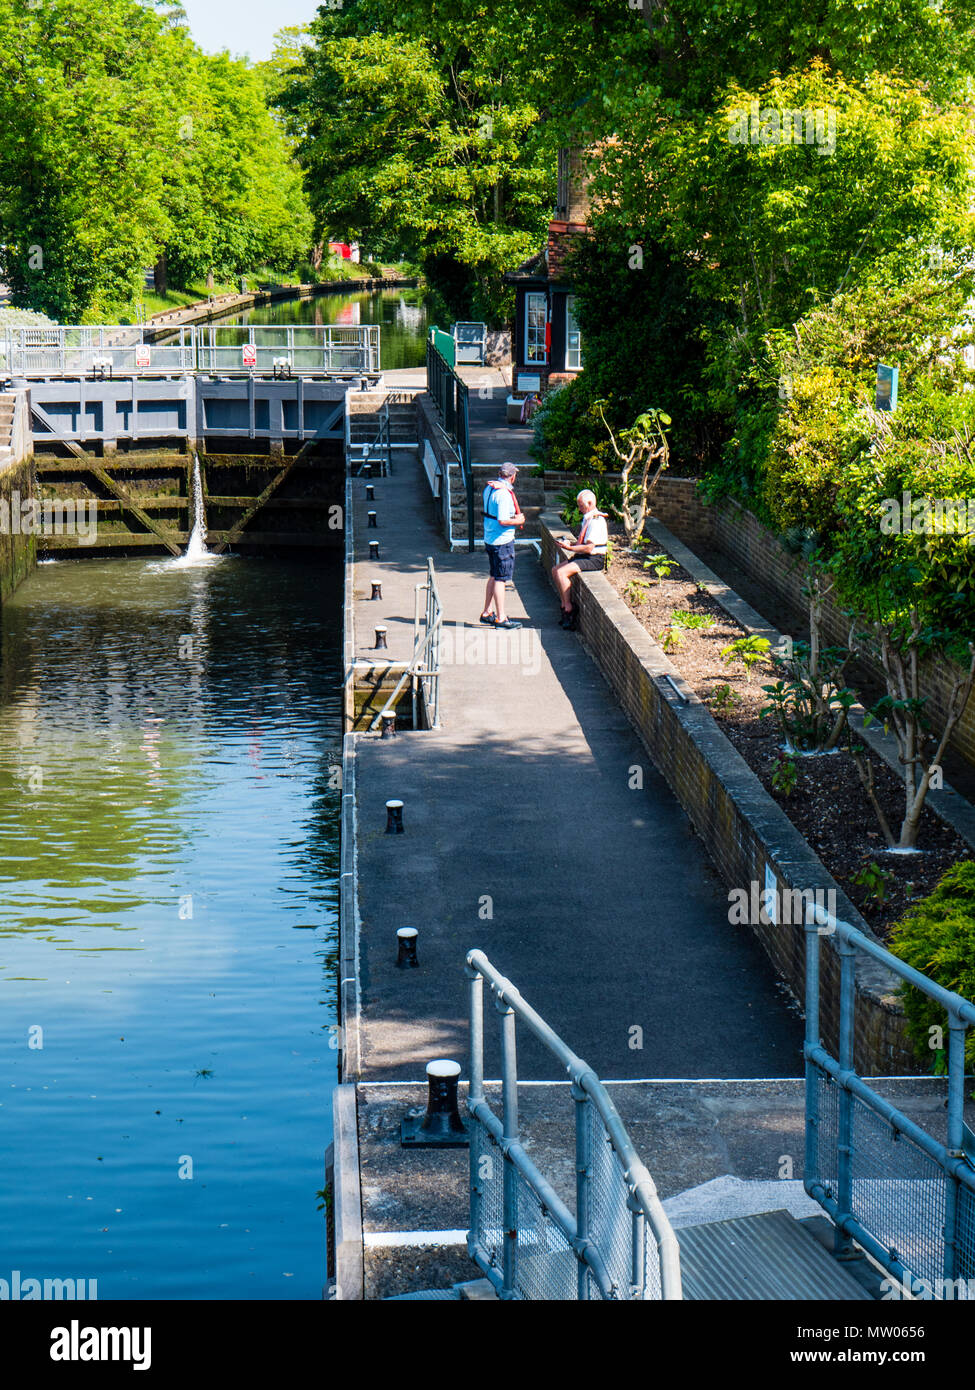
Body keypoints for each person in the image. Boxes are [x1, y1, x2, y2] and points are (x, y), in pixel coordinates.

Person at [552, 490, 609, 629]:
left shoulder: (596, 521)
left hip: (594, 558)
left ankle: (568, 609)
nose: (579, 509)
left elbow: (589, 548)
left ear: (590, 503)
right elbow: (582, 545)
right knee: (555, 570)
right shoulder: (588, 518)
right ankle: (564, 603)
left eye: (581, 505)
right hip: (585, 555)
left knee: (561, 573)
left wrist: (570, 549)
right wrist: (569, 545)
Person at [480, 461, 526, 630]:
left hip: (490, 538)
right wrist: (518, 520)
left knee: (493, 574)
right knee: (501, 579)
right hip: (502, 541)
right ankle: (501, 618)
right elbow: (503, 520)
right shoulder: (504, 494)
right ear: (512, 476)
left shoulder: (489, 488)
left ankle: (486, 612)